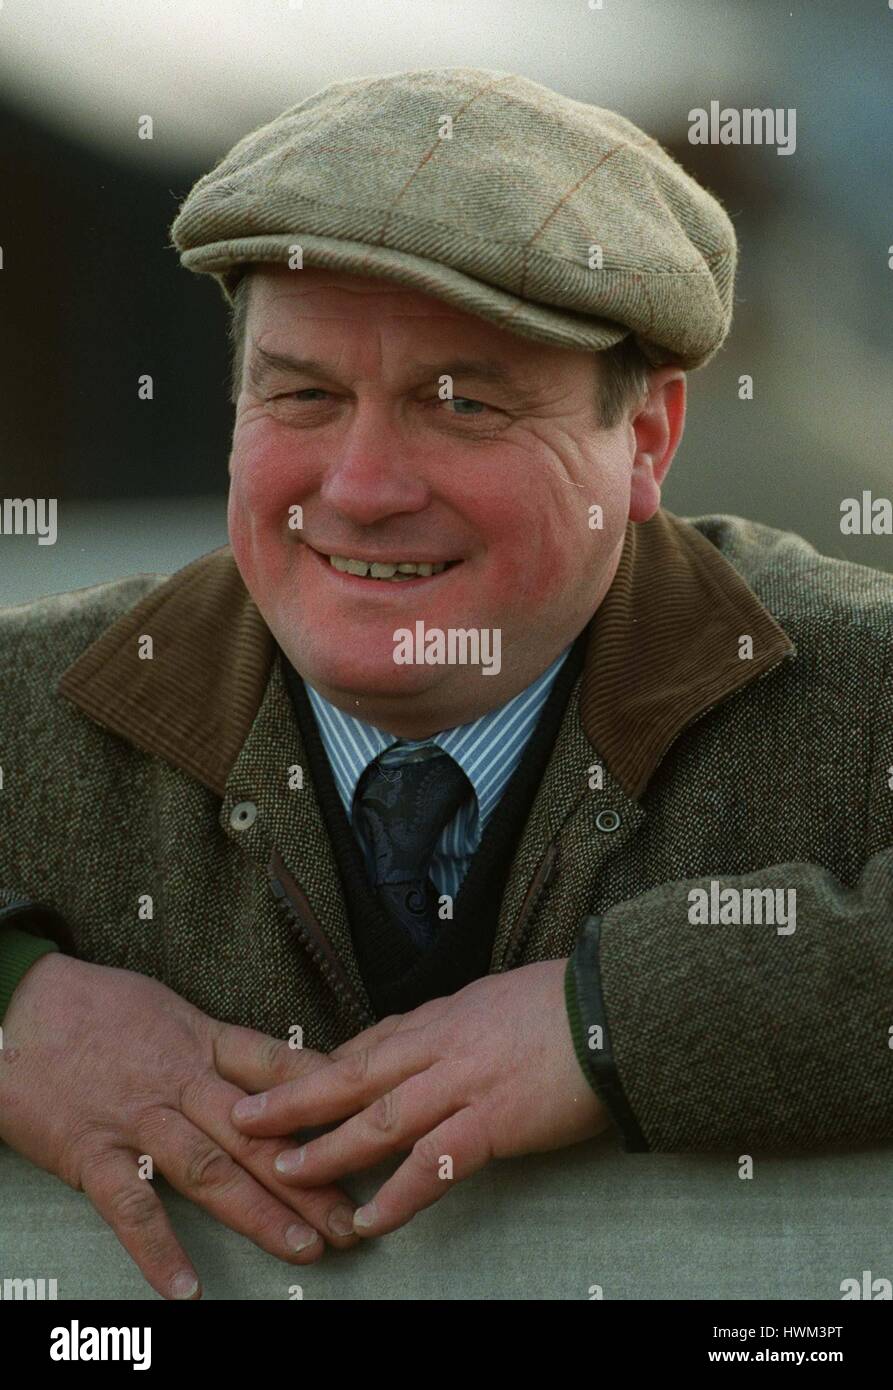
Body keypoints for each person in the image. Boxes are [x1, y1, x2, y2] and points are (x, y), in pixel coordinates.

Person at [1, 67, 891, 1303]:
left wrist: (612, 1019)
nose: (361, 485)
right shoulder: (31, 701)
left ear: (642, 443)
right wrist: (14, 1007)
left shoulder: (857, 692)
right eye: (302, 392)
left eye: (460, 402)